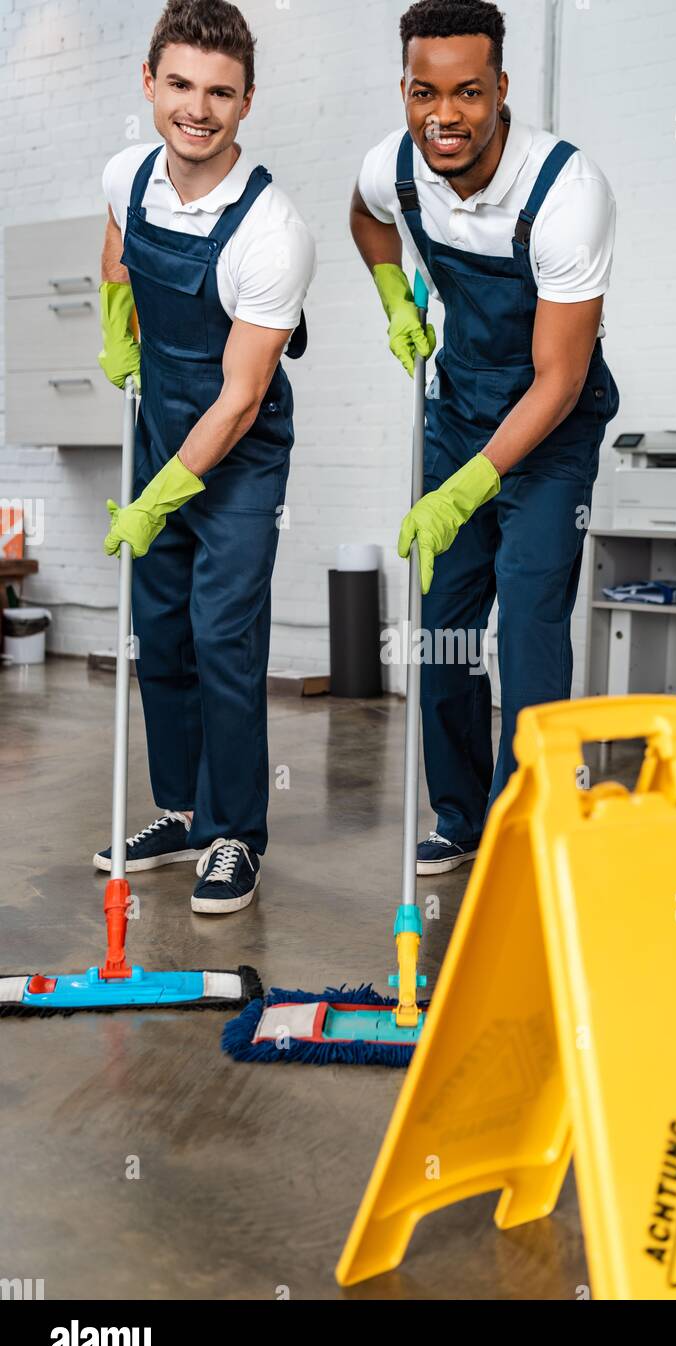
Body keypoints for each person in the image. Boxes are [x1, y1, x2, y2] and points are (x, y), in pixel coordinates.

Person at [350, 0, 619, 874]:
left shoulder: (566, 193)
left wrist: (468, 485)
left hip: (551, 433)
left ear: (501, 87)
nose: (445, 116)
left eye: (468, 92)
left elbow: (559, 378)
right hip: (459, 411)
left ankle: (530, 821)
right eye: (425, 92)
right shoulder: (394, 166)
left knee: (527, 626)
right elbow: (366, 218)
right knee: (443, 628)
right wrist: (395, 295)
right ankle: (462, 816)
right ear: (403, 88)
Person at [95, 0, 315, 913]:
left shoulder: (274, 230)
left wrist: (157, 501)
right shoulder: (126, 174)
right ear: (150, 83)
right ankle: (183, 812)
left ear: (247, 101)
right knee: (162, 630)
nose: (198, 108)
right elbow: (115, 254)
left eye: (219, 92)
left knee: (223, 634)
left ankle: (236, 835)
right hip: (159, 428)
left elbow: (240, 397)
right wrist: (117, 328)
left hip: (239, 454)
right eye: (180, 84)